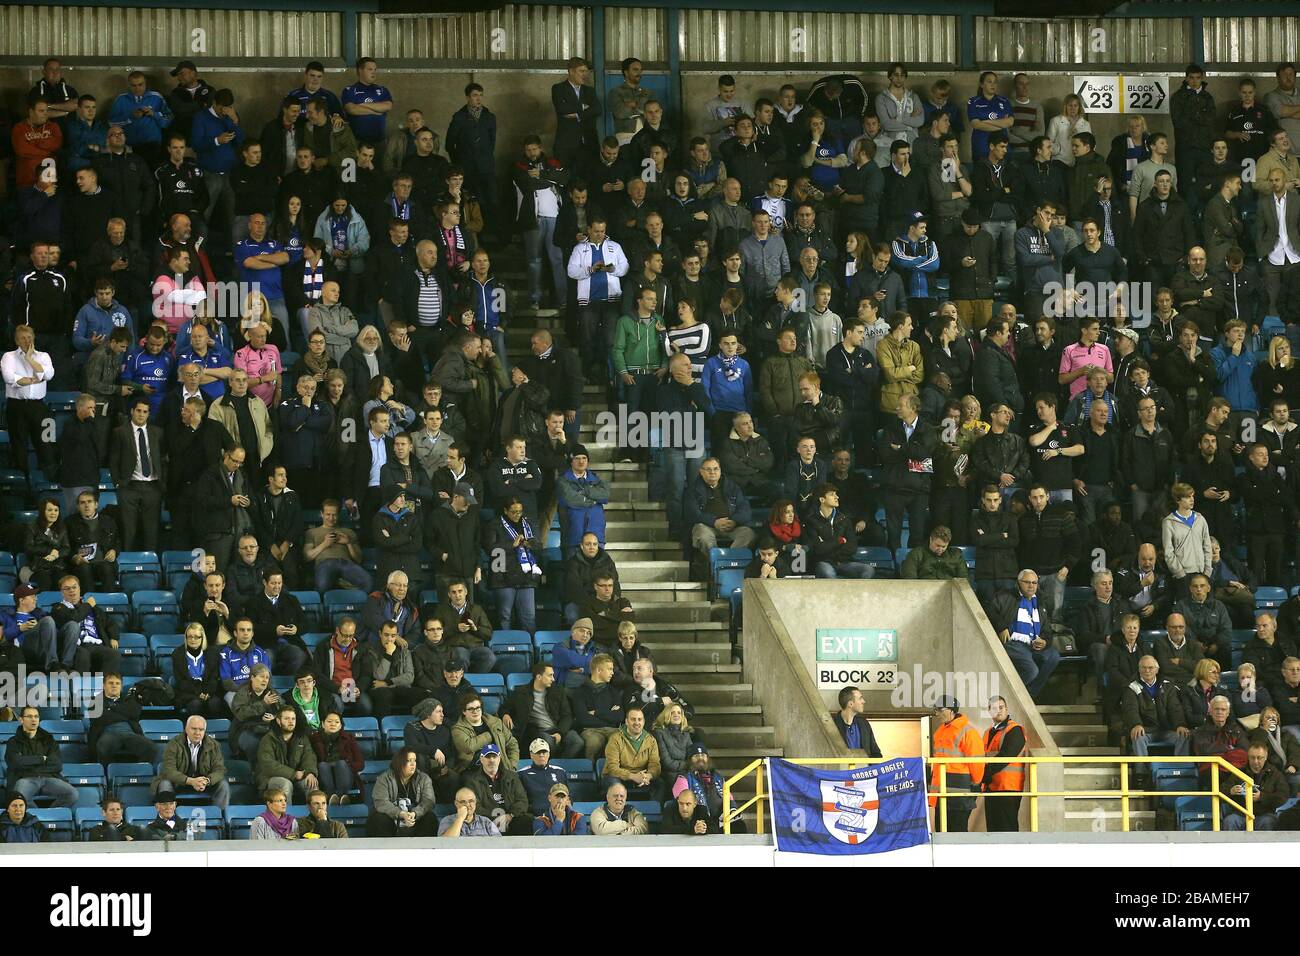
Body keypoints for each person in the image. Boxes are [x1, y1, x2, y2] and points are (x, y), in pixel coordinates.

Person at [989, 569, 1061, 701]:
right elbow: (990, 611)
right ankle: (1006, 698)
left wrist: (1044, 641)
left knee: (1053, 656)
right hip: (1013, 643)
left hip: (1033, 644)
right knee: (1031, 671)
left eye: (1034, 583)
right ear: (1018, 583)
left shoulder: (1040, 602)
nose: (1031, 586)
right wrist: (1001, 627)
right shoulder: (1006, 596)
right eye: (1027, 582)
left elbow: (1047, 630)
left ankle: (1029, 696)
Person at [880, 393, 937, 550]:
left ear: (913, 408)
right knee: (893, 535)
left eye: (901, 405)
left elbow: (924, 453)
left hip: (919, 490)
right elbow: (886, 454)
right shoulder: (890, 428)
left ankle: (913, 570)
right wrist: (911, 452)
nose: (896, 408)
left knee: (918, 534)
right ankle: (894, 569)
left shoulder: (928, 429)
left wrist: (901, 448)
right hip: (894, 488)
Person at [928, 696, 985, 832]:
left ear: (951, 710)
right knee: (942, 833)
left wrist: (975, 785)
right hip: (942, 794)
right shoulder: (940, 731)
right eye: (935, 710)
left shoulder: (968, 732)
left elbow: (977, 763)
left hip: (959, 794)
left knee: (957, 834)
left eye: (940, 710)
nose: (937, 714)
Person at [1122, 655, 1191, 766]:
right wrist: (1136, 724)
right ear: (1139, 669)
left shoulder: (1168, 685)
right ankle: (1141, 775)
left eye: (1150, 667)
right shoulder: (1132, 687)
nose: (1147, 670)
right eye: (1143, 668)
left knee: (1183, 735)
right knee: (1137, 736)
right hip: (1146, 730)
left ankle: (1180, 771)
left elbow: (1175, 708)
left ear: (1157, 670)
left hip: (1166, 729)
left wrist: (1180, 724)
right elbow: (1130, 709)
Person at [5, 706, 78, 809]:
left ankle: (49, 815)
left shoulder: (48, 739)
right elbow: (15, 763)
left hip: (48, 778)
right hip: (25, 778)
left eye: (36, 716)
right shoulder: (13, 742)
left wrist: (28, 762)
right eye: (29, 716)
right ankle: (36, 819)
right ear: (21, 720)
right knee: (20, 798)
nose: (34, 719)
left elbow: (57, 764)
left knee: (72, 794)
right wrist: (41, 759)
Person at [155, 714, 230, 810]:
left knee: (223, 785)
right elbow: (169, 771)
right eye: (194, 729)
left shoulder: (214, 745)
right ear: (186, 729)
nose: (197, 733)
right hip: (179, 782)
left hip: (203, 783)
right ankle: (167, 821)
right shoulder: (173, 744)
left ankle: (218, 820)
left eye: (201, 729)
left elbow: (219, 770)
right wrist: (191, 781)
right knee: (165, 784)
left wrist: (207, 781)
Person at [255, 704, 319, 801]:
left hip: (296, 778)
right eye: (287, 719)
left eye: (293, 719)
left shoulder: (302, 738)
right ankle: (286, 816)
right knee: (285, 784)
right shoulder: (268, 739)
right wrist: (294, 774)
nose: (291, 722)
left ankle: (317, 815)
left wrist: (310, 772)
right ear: (278, 721)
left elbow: (309, 756)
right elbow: (268, 765)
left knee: (312, 783)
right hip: (270, 779)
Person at [368, 748, 437, 837]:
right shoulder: (384, 779)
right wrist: (401, 813)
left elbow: (428, 801)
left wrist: (414, 813)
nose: (413, 764)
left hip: (414, 816)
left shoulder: (424, 778)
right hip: (391, 816)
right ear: (399, 763)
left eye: (414, 760)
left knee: (430, 818)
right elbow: (381, 802)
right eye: (409, 761)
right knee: (379, 818)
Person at [981, 695, 1026, 832]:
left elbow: (1006, 756)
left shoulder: (1014, 730)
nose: (998, 711)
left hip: (1008, 788)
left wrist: (984, 774)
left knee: (1007, 829)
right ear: (989, 711)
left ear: (1006, 709)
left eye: (1001, 707)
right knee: (993, 830)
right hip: (992, 787)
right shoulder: (988, 733)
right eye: (994, 708)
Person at [1224, 743, 1287, 831]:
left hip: (1265, 814)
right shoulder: (1238, 773)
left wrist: (1262, 797)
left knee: (1268, 821)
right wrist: (1230, 791)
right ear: (1248, 757)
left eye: (1259, 757)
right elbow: (1221, 791)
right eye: (1252, 757)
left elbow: (1282, 796)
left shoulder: (1276, 774)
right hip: (1241, 814)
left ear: (1266, 757)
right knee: (1230, 821)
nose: (1256, 761)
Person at [573, 653, 624, 761]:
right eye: (609, 669)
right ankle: (590, 772)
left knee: (621, 739)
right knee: (594, 742)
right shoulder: (580, 692)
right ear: (598, 670)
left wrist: (596, 713)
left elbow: (619, 716)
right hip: (590, 730)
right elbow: (583, 719)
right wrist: (609, 716)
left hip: (613, 729)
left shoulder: (613, 691)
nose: (612, 673)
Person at [309, 710, 364, 805]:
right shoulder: (314, 738)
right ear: (322, 724)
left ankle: (342, 796)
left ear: (341, 725)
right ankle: (331, 797)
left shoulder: (349, 738)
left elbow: (360, 763)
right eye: (329, 721)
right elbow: (310, 759)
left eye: (337, 722)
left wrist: (347, 766)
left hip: (345, 774)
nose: (333, 724)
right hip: (323, 774)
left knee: (341, 764)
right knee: (322, 765)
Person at [900, 525, 968, 579]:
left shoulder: (956, 555)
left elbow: (963, 581)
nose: (940, 549)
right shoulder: (916, 554)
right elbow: (909, 580)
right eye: (937, 545)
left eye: (944, 546)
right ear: (931, 539)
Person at [833, 686, 883, 756]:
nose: (863, 701)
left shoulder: (864, 723)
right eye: (860, 698)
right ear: (850, 704)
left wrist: (871, 767)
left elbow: (876, 753)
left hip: (865, 767)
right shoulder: (832, 725)